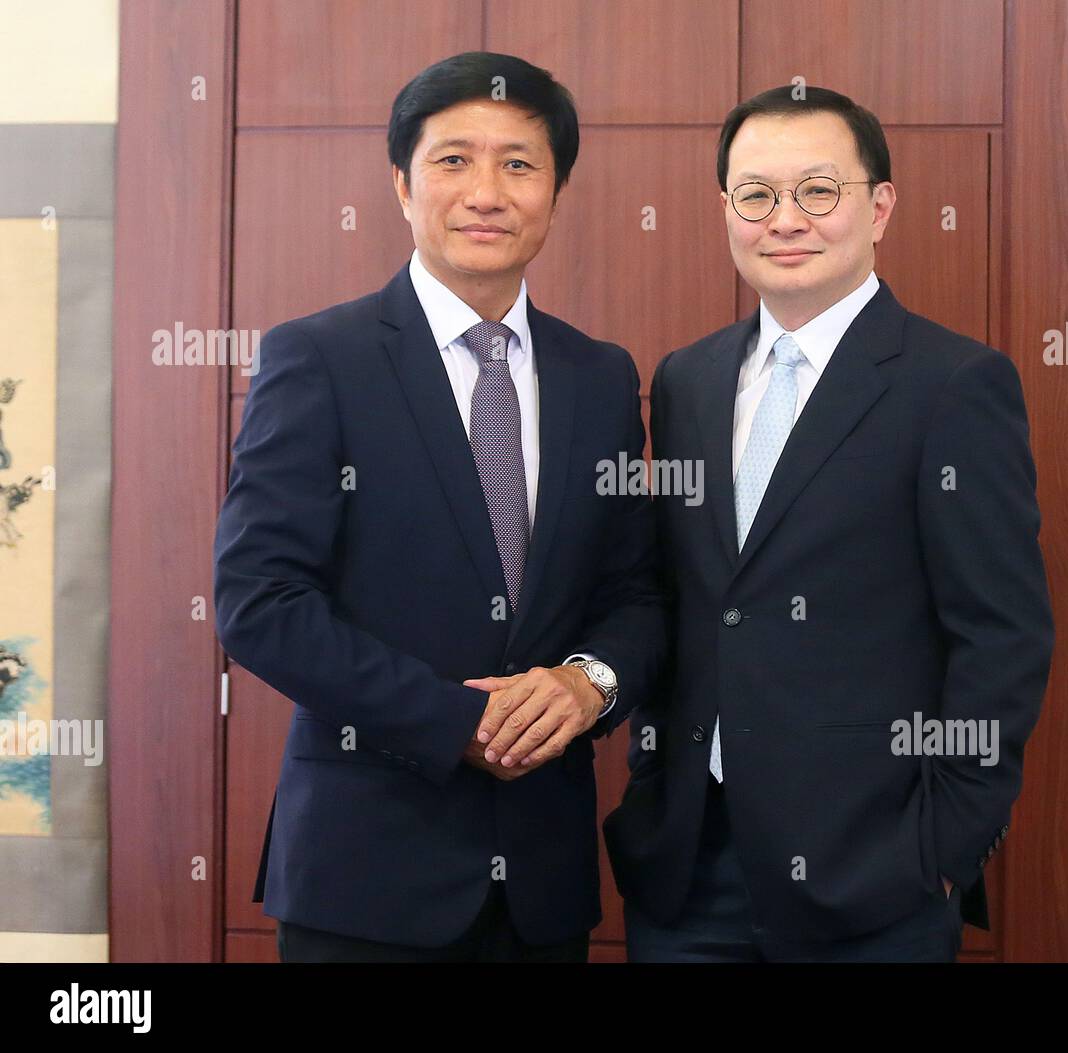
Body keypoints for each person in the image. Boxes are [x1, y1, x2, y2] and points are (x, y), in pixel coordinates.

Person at [213, 52, 665, 963]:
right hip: (363, 877)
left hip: (542, 882)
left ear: (556, 189)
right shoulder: (319, 359)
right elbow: (259, 601)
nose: (486, 192)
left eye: (519, 163)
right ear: (401, 184)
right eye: (453, 160)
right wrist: (452, 721)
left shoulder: (601, 376)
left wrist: (588, 685)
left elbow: (640, 595)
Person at [605, 85, 1054, 962]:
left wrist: (939, 847)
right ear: (725, 210)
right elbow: (687, 600)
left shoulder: (955, 385)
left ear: (879, 207)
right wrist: (655, 777)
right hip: (690, 870)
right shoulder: (686, 381)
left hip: (874, 877)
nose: (786, 219)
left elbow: (1002, 637)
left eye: (820, 190)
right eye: (756, 195)